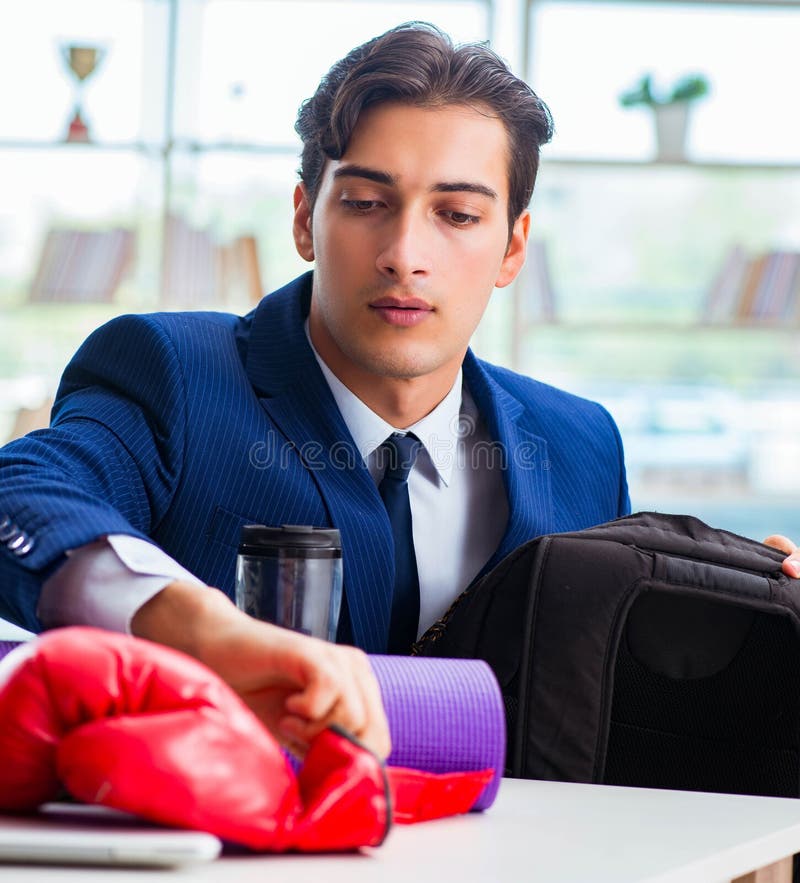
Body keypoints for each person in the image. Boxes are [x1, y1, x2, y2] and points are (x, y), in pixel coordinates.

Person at [1, 23, 797, 758]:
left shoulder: (581, 442)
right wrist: (192, 623)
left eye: (456, 214)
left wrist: (750, 605)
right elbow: (22, 489)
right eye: (367, 203)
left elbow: (605, 680)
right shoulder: (173, 371)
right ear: (307, 219)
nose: (405, 253)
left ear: (513, 247)